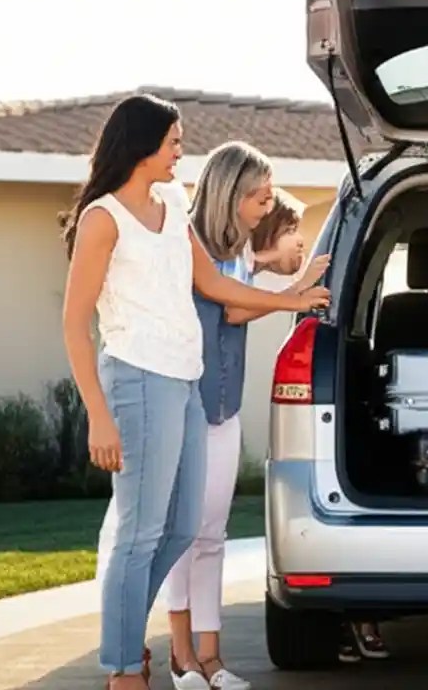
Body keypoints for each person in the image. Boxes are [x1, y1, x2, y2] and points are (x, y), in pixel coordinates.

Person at [60, 94, 330, 690]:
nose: (181, 152)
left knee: (183, 526)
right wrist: (97, 417)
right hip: (135, 379)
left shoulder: (172, 202)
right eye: (173, 142)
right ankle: (125, 668)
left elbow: (211, 282)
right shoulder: (103, 219)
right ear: (142, 146)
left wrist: (290, 298)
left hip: (184, 380)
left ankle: (125, 638)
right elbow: (75, 323)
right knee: (140, 532)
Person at [156, 144, 334, 690]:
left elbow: (245, 283)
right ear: (232, 194)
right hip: (186, 408)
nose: (264, 208)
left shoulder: (234, 251)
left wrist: (290, 277)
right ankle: (181, 655)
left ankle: (212, 658)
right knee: (183, 534)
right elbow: (231, 306)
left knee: (212, 535)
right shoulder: (186, 242)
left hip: (224, 408)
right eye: (259, 198)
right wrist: (297, 296)